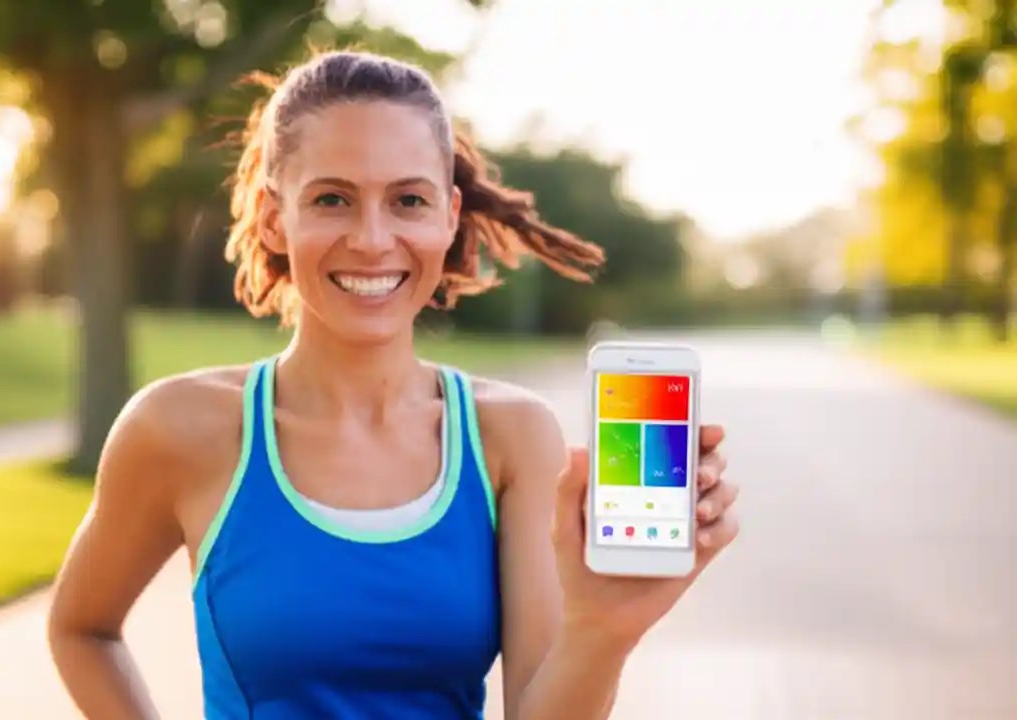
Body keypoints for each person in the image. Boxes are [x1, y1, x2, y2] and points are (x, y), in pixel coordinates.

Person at [46, 49, 739, 720]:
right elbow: (82, 628)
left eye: (407, 200)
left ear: (447, 216)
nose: (373, 239)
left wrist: (603, 628)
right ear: (271, 217)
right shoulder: (180, 428)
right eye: (332, 199)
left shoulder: (511, 438)